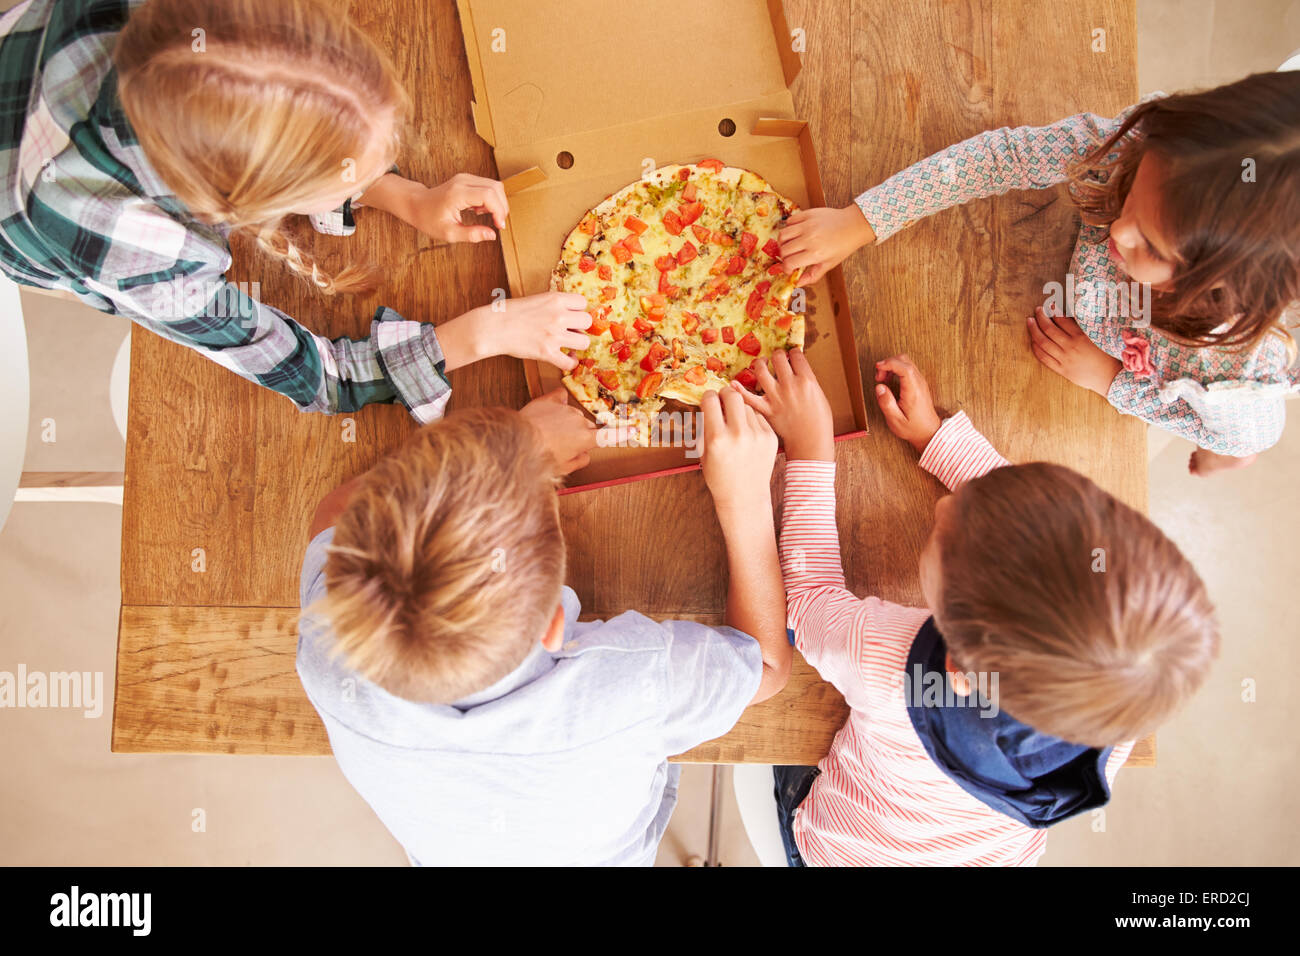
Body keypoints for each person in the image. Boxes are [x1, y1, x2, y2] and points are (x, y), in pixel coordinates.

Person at [734, 350, 1219, 865]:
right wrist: (937, 439)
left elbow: (810, 602)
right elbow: (1046, 539)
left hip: (831, 851)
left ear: (955, 667)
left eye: (946, 537)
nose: (946, 505)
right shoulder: (1120, 696)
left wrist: (809, 451)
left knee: (758, 740)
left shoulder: (885, 658)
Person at [0, 0, 591, 421]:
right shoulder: (143, 255)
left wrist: (402, 194)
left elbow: (265, 116)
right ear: (247, 210)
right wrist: (489, 330)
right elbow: (322, 378)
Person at [296, 387, 791, 865]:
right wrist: (744, 500)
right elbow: (765, 665)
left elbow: (334, 511)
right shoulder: (633, 683)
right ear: (555, 626)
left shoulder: (329, 643)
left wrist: (506, 455)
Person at [777, 73, 1300, 475]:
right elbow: (1003, 157)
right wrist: (864, 220)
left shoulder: (1233, 366)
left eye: (1152, 244)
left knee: (1224, 443)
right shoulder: (1148, 150)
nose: (1118, 232)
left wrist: (1111, 379)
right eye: (1130, 198)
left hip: (1202, 407)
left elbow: (1248, 435)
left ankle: (1217, 462)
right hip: (1100, 315)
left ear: (1217, 291)